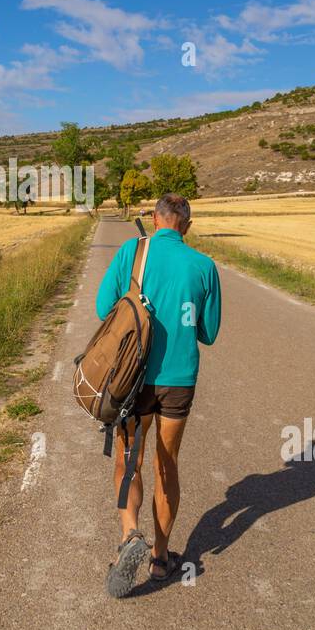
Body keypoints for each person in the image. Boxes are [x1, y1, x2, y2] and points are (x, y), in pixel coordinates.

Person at [95, 193, 221, 597]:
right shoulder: (204, 266)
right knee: (168, 465)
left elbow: (102, 309)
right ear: (187, 225)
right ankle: (162, 558)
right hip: (179, 381)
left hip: (132, 378)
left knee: (129, 461)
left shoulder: (133, 251)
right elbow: (209, 333)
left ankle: (131, 534)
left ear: (154, 219)